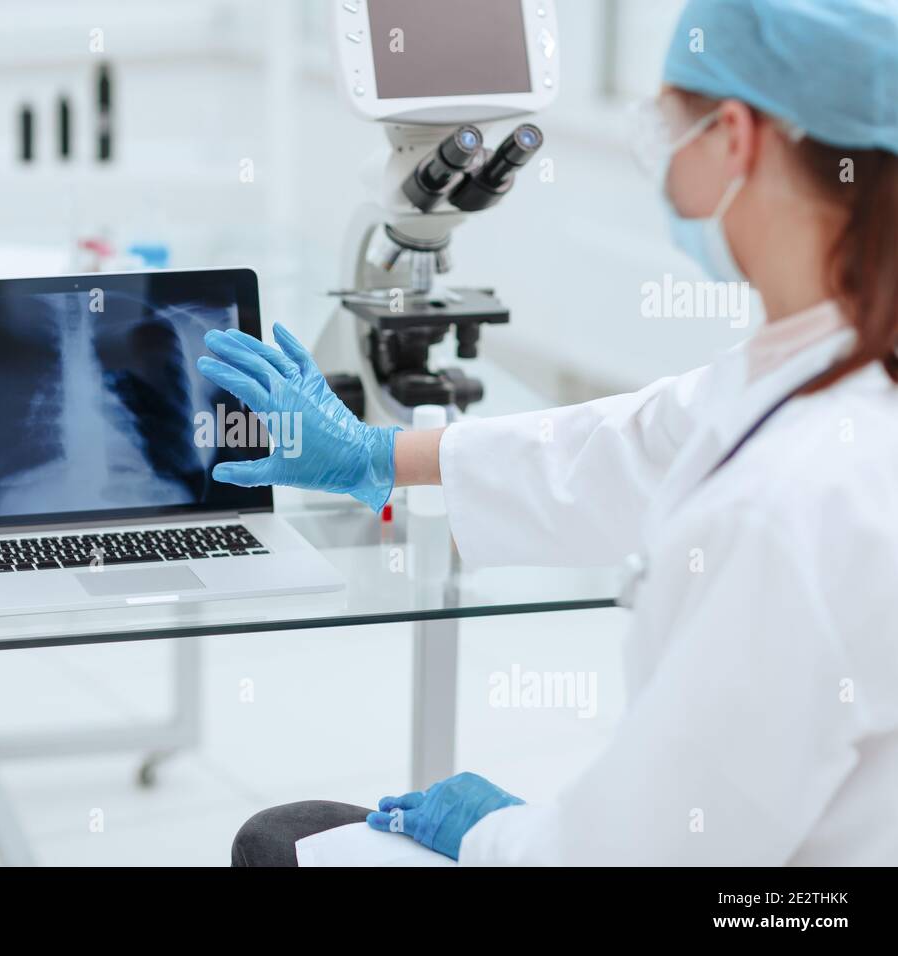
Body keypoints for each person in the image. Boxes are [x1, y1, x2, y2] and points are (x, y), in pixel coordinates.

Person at [203, 0, 898, 866]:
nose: (659, 148)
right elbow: (638, 444)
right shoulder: (827, 363)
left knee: (280, 845)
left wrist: (495, 833)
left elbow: (650, 854)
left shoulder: (790, 507)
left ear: (734, 137)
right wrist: (374, 456)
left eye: (666, 124)